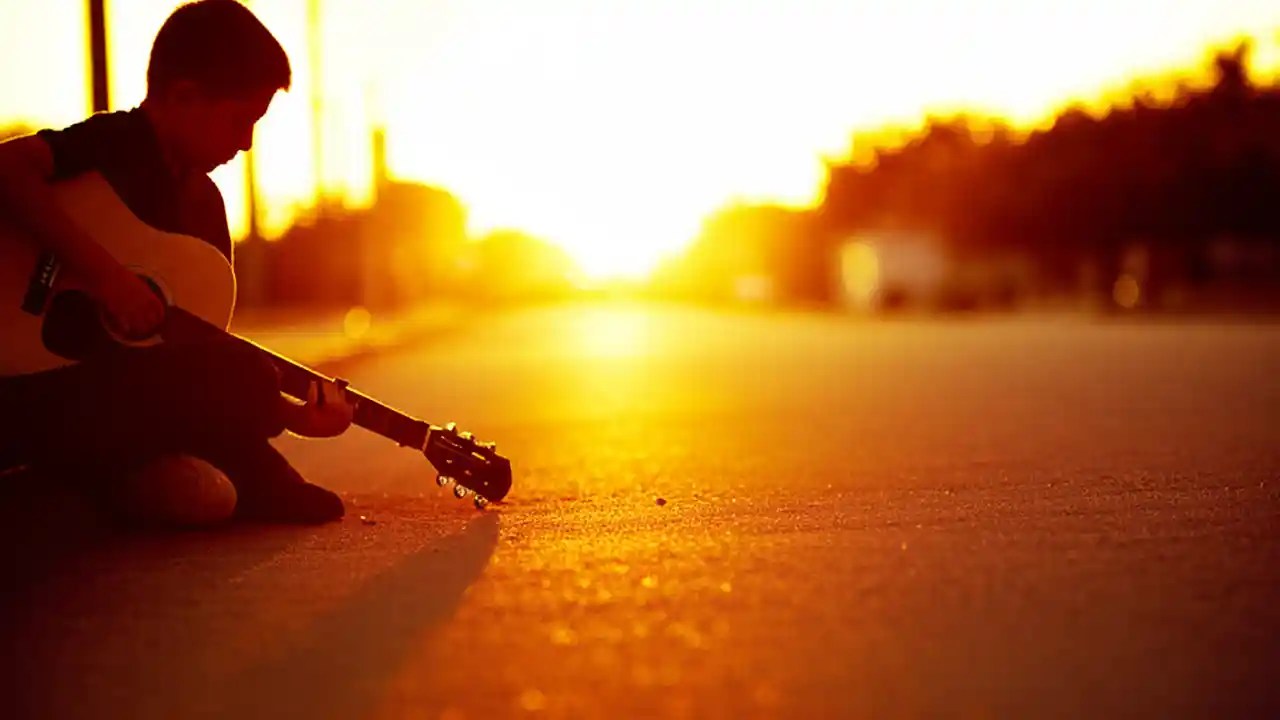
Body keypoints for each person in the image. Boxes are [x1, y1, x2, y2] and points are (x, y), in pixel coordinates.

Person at [0, 0, 351, 525]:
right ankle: (122, 485)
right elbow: (7, 171)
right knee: (242, 375)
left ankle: (117, 485)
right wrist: (106, 277)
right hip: (24, 388)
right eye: (240, 119)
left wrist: (299, 417)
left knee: (235, 467)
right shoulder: (116, 143)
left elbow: (189, 362)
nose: (246, 142)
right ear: (184, 96)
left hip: (120, 404)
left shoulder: (205, 207)